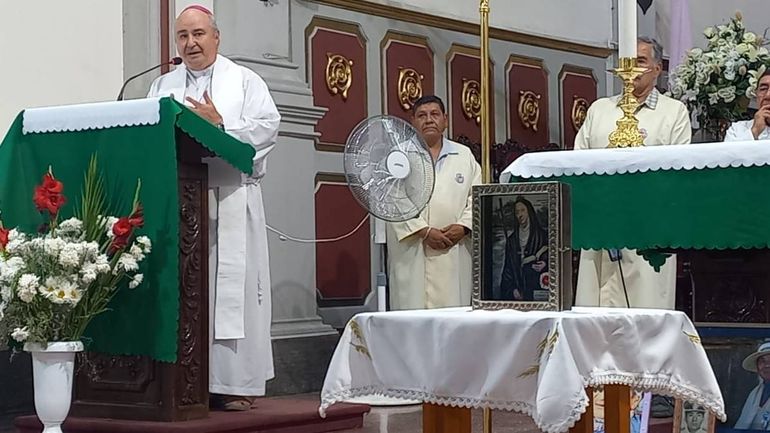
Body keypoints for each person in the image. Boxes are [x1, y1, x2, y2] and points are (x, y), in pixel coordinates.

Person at [147, 5, 281, 411]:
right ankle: (185, 382)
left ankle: (233, 383)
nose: (191, 43)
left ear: (216, 37)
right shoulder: (161, 87)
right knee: (187, 293)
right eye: (183, 36)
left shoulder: (245, 81)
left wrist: (220, 125)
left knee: (232, 295)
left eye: (199, 34)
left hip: (231, 199)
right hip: (181, 205)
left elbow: (266, 129)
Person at [573, 36, 692, 309]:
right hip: (601, 224)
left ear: (657, 68)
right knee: (596, 309)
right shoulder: (600, 110)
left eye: (640, 61)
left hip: (649, 227)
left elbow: (679, 171)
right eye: (627, 61)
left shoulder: (673, 112)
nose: (632, 68)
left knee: (646, 308)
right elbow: (579, 163)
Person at [386, 95, 481, 310]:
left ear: (445, 120)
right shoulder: (400, 155)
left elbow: (477, 196)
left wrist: (464, 226)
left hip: (454, 248)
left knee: (453, 314)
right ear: (412, 121)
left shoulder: (463, 155)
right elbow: (393, 198)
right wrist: (424, 231)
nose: (429, 120)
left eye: (435, 114)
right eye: (422, 115)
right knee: (412, 313)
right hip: (414, 250)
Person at [499, 196, 548, 301]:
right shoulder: (512, 240)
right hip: (518, 289)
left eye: (522, 210)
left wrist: (545, 263)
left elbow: (552, 257)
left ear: (529, 211)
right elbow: (508, 268)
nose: (520, 215)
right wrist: (512, 289)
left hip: (536, 287)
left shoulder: (542, 235)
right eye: (517, 212)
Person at [725, 71, 770, 141]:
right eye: (763, 89)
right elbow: (730, 148)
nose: (768, 95)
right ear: (756, 94)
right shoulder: (737, 129)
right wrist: (755, 131)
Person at [735, 341, 770, 430]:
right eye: (762, 361)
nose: (767, 365)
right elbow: (741, 426)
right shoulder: (754, 394)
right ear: (757, 366)